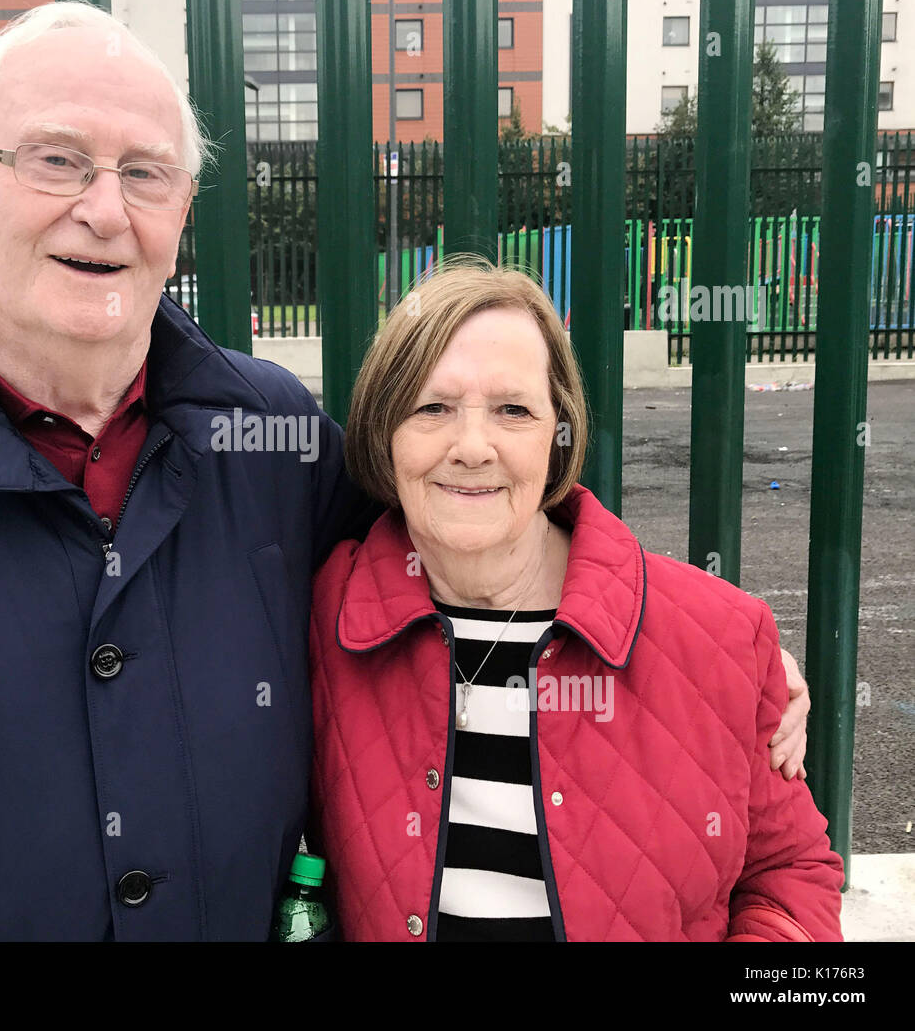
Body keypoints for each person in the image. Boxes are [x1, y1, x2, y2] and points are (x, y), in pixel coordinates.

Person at [0, 4, 808, 942]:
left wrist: (713, 652)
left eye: (146, 171)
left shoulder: (269, 435)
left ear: (182, 208)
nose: (104, 208)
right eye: (56, 159)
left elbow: (471, 528)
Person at [307, 258, 843, 942]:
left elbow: (790, 870)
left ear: (558, 435)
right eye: (432, 407)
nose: (473, 447)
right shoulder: (321, 617)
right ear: (385, 432)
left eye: (513, 410)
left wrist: (747, 667)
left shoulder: (721, 636)